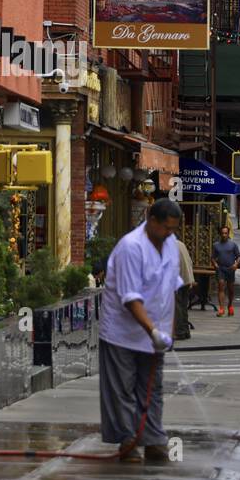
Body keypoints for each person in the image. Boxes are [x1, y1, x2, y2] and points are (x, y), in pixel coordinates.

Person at [98, 198, 183, 463]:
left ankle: (153, 439)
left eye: (173, 229)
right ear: (152, 220)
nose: (169, 233)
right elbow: (130, 298)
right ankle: (128, 441)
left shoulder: (170, 245)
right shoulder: (131, 247)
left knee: (152, 387)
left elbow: (170, 291)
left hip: (154, 330)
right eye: (166, 227)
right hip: (122, 332)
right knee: (122, 388)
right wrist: (152, 331)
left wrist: (167, 332)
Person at [212, 223, 240, 317]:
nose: (224, 235)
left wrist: (236, 264)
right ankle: (221, 308)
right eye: (222, 233)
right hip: (221, 268)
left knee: (231, 289)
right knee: (221, 286)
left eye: (225, 233)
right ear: (220, 234)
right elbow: (212, 257)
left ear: (228, 234)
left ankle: (230, 305)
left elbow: (239, 256)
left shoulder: (233, 245)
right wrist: (215, 264)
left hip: (230, 269)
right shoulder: (216, 245)